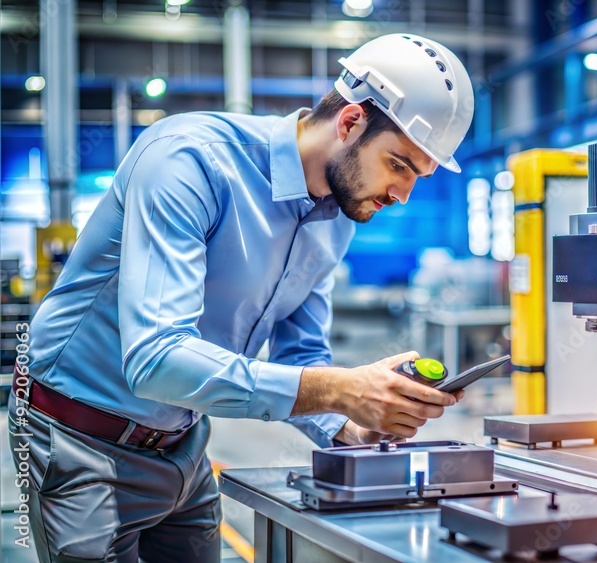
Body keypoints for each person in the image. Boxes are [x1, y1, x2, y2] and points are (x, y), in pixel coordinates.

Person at [8, 33, 474, 562]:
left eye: (419, 176)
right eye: (399, 165)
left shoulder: (337, 216)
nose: (403, 195)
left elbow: (301, 355)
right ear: (350, 122)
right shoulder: (189, 161)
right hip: (79, 437)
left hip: (182, 441)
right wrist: (341, 388)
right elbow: (155, 359)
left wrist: (351, 423)